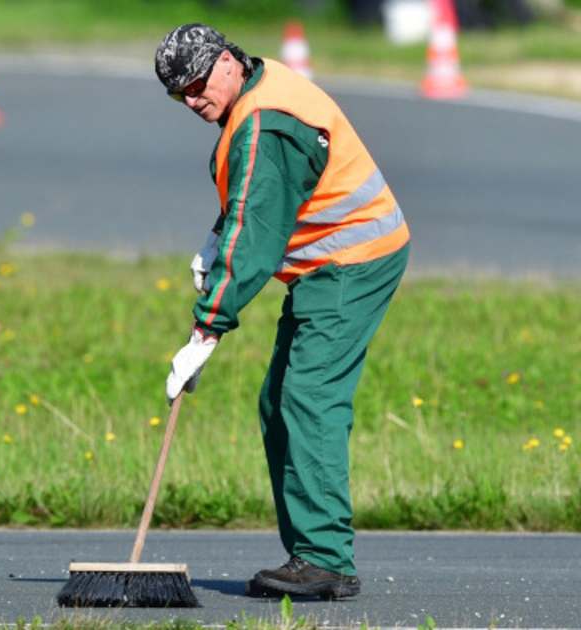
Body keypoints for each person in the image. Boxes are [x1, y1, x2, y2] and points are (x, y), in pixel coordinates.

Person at [155, 23, 410, 600]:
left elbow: (258, 230)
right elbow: (254, 198)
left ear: (225, 63)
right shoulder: (255, 88)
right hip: (327, 261)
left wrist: (206, 328)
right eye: (180, 96)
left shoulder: (268, 123)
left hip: (352, 260)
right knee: (278, 400)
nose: (194, 101)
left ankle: (325, 561)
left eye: (197, 85)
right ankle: (310, 553)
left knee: (308, 395)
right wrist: (217, 238)